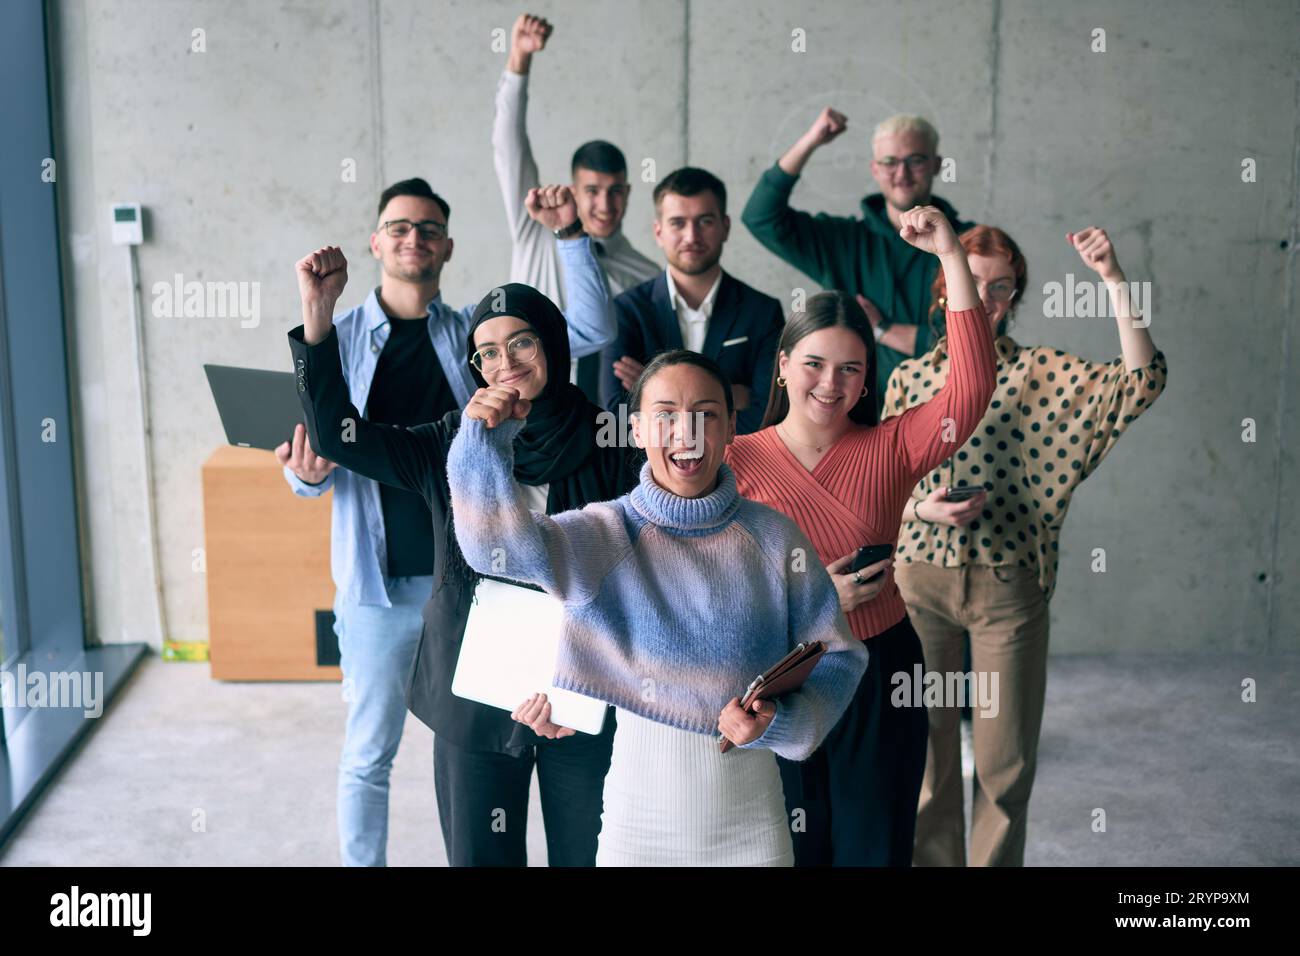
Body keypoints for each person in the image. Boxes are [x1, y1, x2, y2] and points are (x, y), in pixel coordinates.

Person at [278, 182, 616, 867]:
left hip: (578, 684)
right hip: (475, 685)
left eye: (521, 343)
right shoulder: (450, 443)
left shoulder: (610, 438)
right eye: (487, 354)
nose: (504, 364)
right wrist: (316, 314)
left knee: (587, 854)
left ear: (550, 344)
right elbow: (341, 438)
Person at [446, 349, 870, 866]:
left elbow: (839, 655)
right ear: (638, 429)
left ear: (732, 427)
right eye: (666, 415)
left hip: (753, 826)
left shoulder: (775, 538)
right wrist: (482, 439)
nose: (686, 432)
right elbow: (496, 546)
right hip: (637, 827)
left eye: (707, 415)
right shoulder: (604, 532)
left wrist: (782, 724)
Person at [884, 225, 1168, 867]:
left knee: (1002, 764)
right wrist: (921, 506)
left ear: (1014, 297)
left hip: (1007, 584)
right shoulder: (906, 379)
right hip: (917, 581)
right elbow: (881, 486)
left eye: (1000, 287)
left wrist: (1114, 281)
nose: (984, 300)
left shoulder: (1041, 371)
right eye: (972, 283)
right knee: (925, 761)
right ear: (942, 290)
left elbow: (1140, 381)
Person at [725, 205, 998, 866]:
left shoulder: (895, 446)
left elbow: (972, 384)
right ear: (784, 364)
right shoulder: (733, 459)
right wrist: (820, 604)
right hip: (775, 673)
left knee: (874, 846)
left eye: (851, 369)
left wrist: (949, 257)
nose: (831, 383)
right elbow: (707, 580)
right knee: (787, 846)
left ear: (868, 378)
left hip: (879, 670)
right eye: (815, 363)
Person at [742, 109, 973, 403]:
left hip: (947, 416)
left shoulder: (967, 244)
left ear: (936, 165)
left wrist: (883, 330)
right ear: (875, 169)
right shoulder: (843, 242)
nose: (901, 174)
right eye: (889, 162)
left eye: (915, 160)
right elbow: (760, 217)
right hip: (856, 423)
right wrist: (810, 142)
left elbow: (978, 341)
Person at [494, 12, 659, 400]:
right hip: (526, 410)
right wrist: (520, 57)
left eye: (616, 191)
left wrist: (651, 380)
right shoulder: (534, 227)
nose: (605, 204)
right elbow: (508, 146)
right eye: (593, 190)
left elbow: (658, 357)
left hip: (603, 426)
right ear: (572, 189)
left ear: (629, 192)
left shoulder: (647, 276)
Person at [599, 166, 785, 435]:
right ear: (659, 231)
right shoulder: (625, 311)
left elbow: (767, 413)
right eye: (678, 223)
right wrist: (730, 397)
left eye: (705, 221)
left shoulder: (763, 312)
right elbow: (617, 418)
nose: (692, 236)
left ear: (725, 227)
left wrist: (653, 392)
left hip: (742, 473)